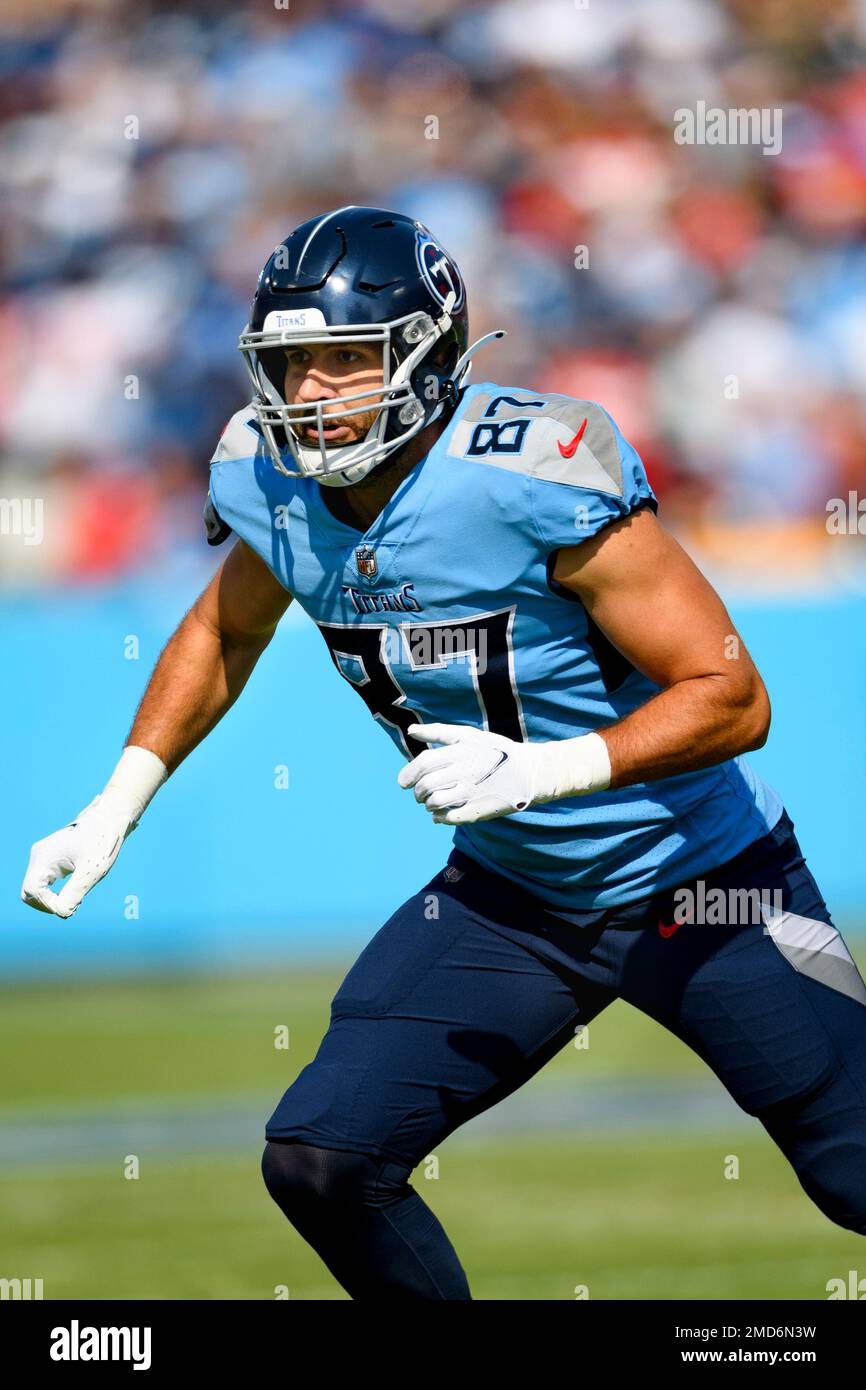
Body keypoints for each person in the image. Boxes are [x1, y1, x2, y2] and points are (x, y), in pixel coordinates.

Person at [22, 206, 866, 1300]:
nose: (311, 390)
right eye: (290, 362)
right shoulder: (266, 478)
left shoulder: (534, 468)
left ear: (424, 355)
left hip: (705, 881)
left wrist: (543, 769)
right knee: (324, 1160)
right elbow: (223, 629)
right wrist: (112, 806)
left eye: (342, 358)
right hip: (513, 894)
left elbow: (731, 696)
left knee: (853, 1174)